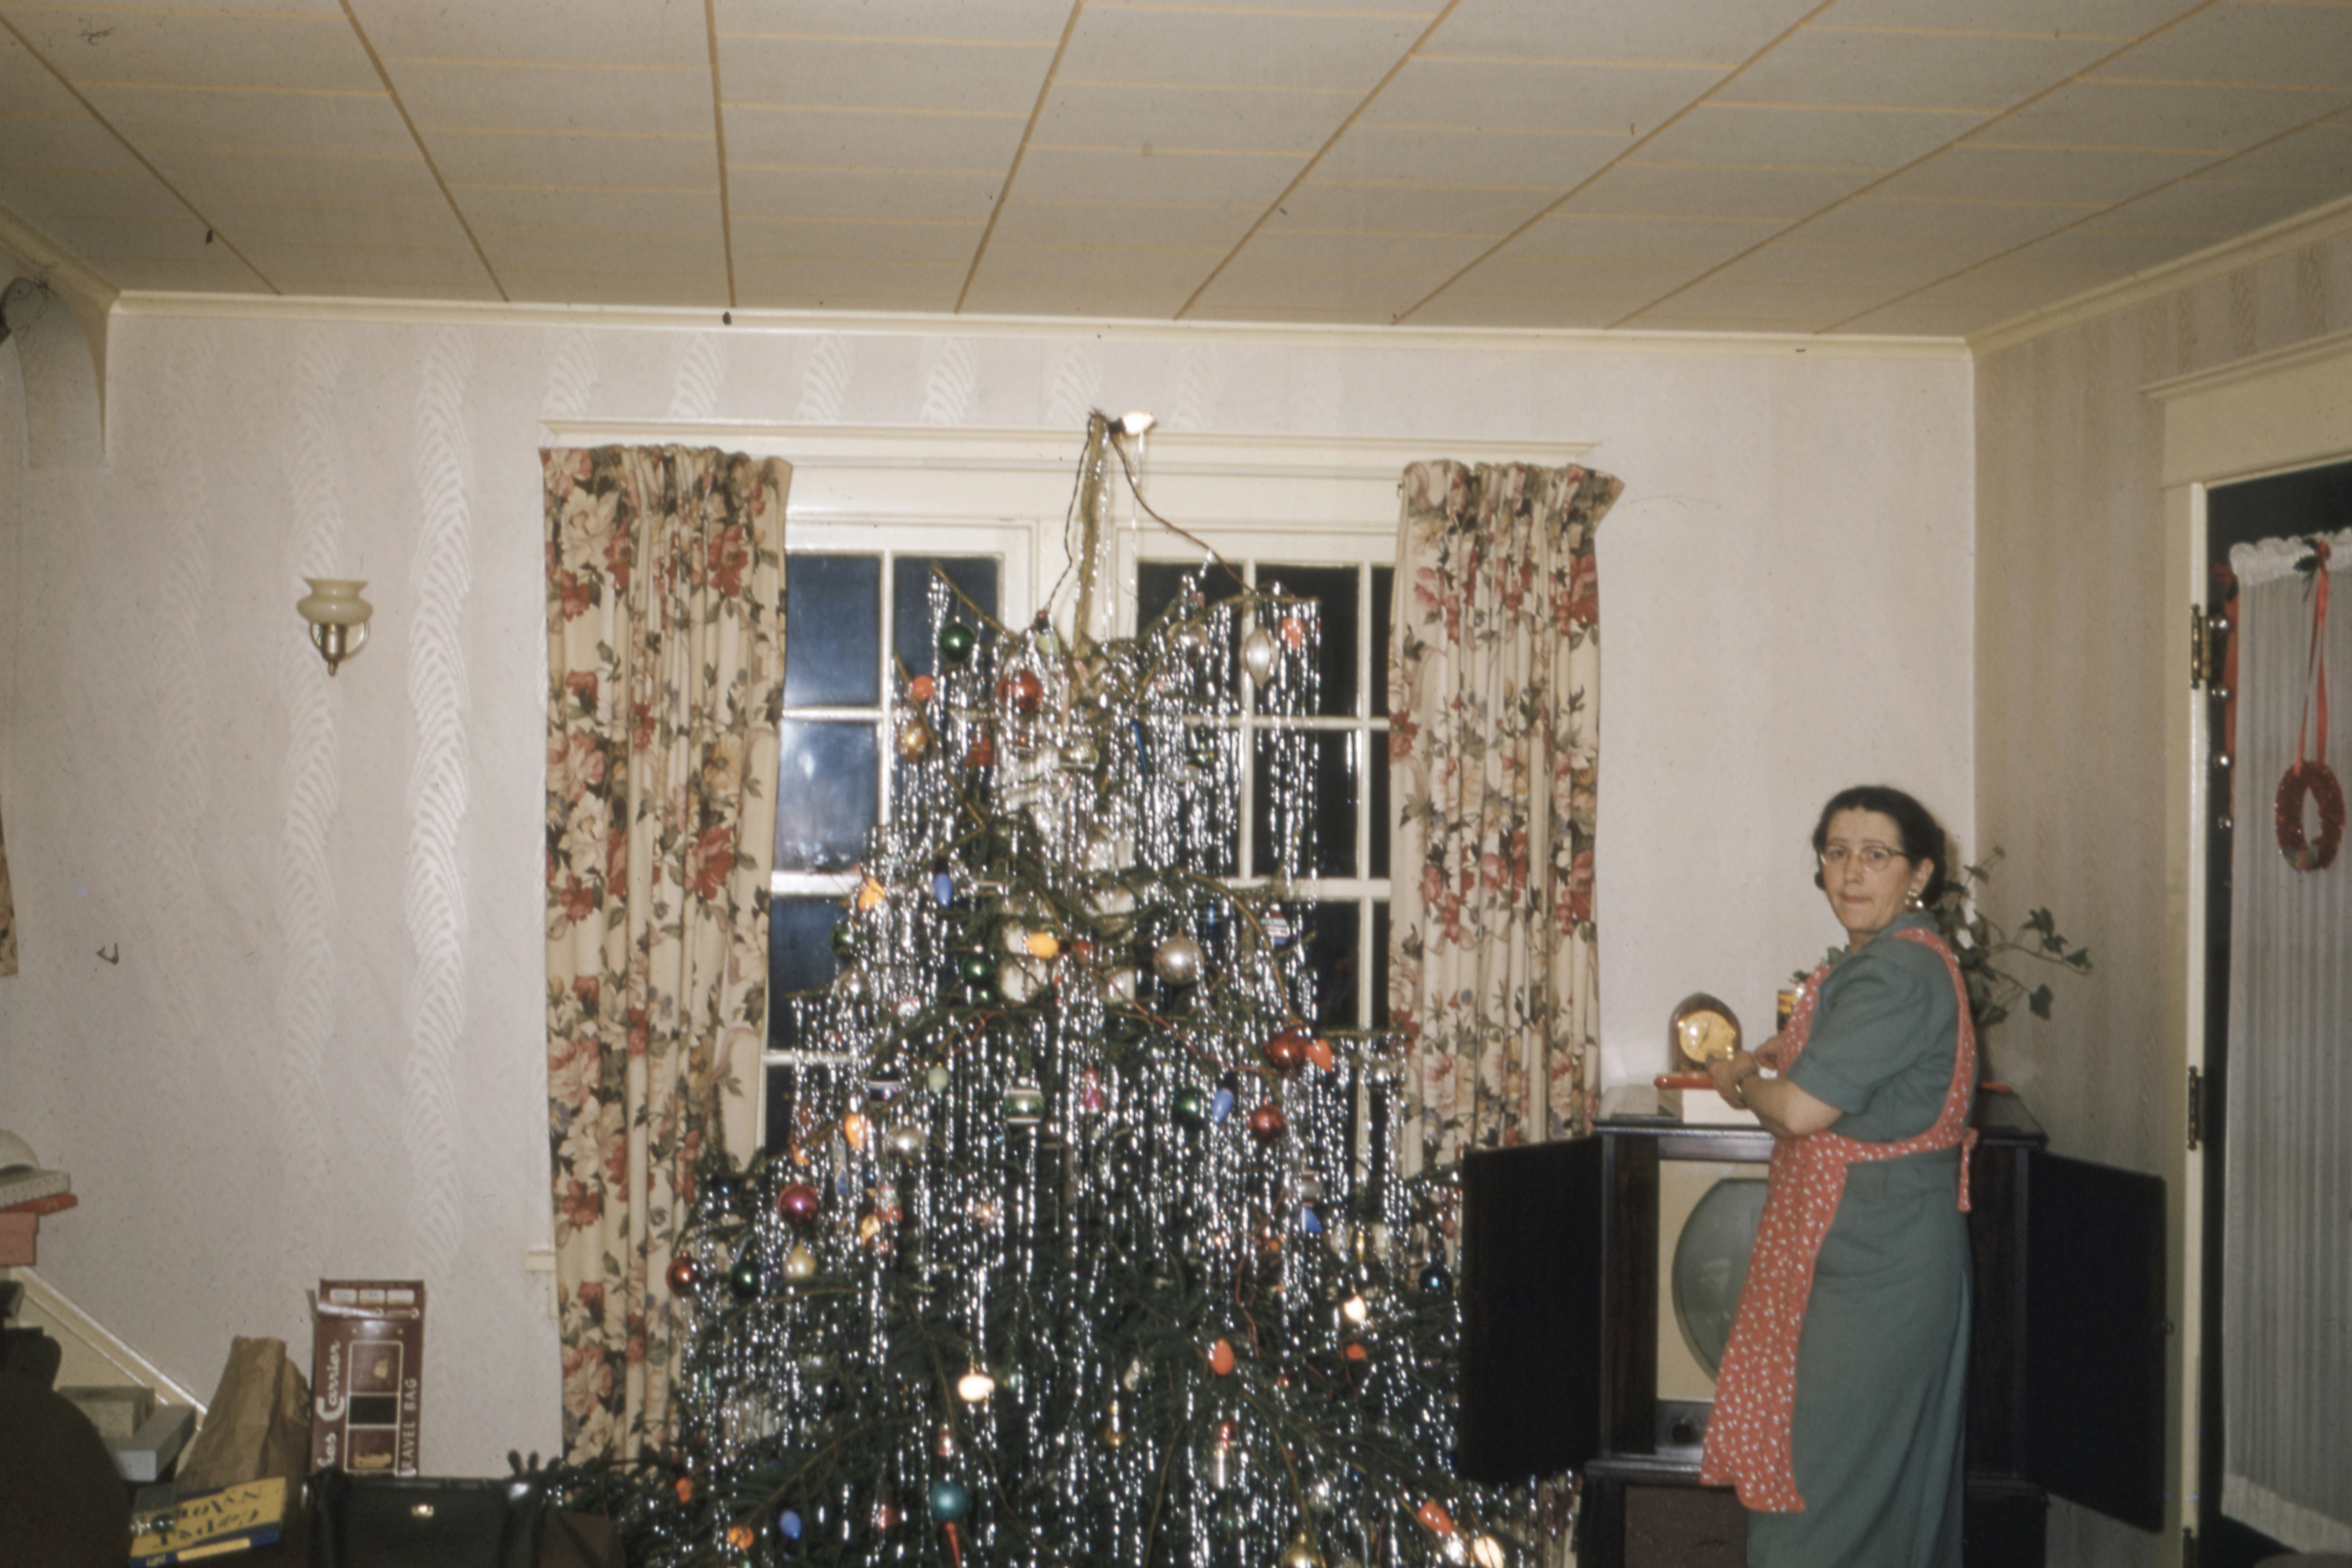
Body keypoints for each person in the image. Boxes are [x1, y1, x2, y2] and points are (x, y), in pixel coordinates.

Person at [1697, 785, 1978, 1568]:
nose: (1852, 872)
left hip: (1877, 1269)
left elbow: (1794, 1109)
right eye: (1836, 852)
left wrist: (1741, 1083)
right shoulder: (1881, 961)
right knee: (1870, 1499)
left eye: (1876, 854)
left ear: (1917, 872)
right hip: (1868, 1252)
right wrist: (1760, 1059)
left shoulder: (1894, 975)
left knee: (1818, 1497)